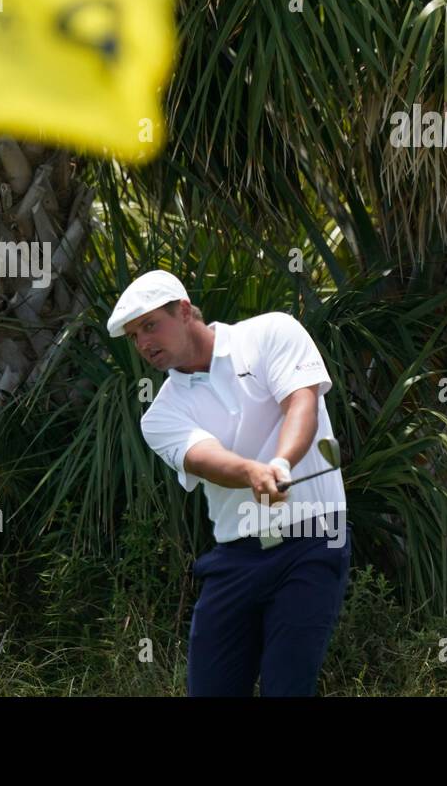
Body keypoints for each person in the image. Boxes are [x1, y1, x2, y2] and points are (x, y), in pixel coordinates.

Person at [108, 270, 351, 696]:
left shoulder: (271, 332)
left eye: (150, 326)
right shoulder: (159, 415)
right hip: (237, 556)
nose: (144, 343)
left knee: (287, 688)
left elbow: (302, 403)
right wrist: (253, 473)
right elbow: (204, 458)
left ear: (184, 311)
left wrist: (281, 462)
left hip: (314, 537)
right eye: (134, 336)